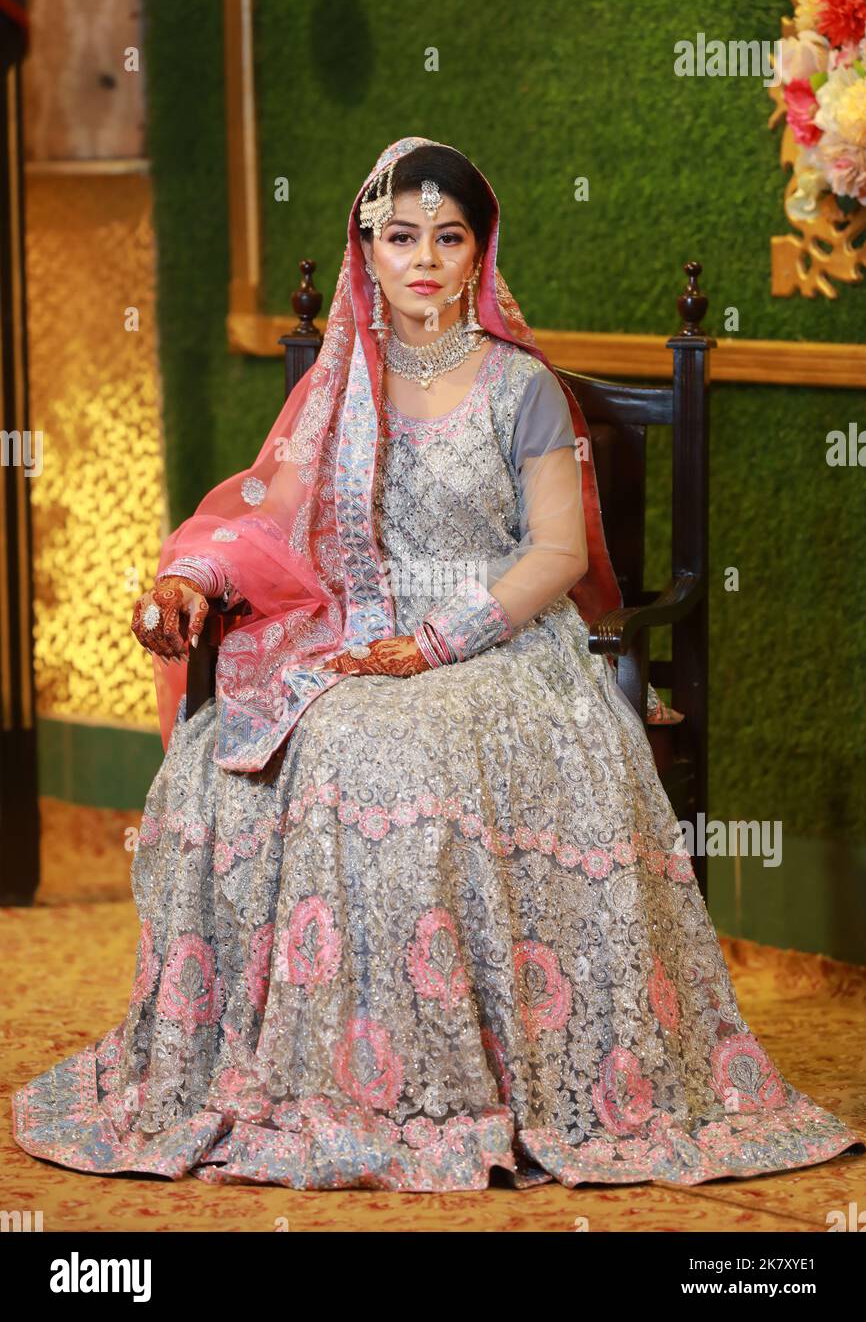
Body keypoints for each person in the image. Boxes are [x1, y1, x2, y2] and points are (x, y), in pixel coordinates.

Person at [11, 137, 863, 1191]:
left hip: (500, 643)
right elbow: (264, 520)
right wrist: (191, 581)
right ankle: (292, 1073)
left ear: (478, 253)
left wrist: (434, 641)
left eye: (447, 238)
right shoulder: (339, 388)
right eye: (400, 236)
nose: (423, 260)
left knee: (395, 754)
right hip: (353, 634)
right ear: (366, 250)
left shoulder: (519, 387)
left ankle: (439, 1089)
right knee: (239, 752)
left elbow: (556, 556)